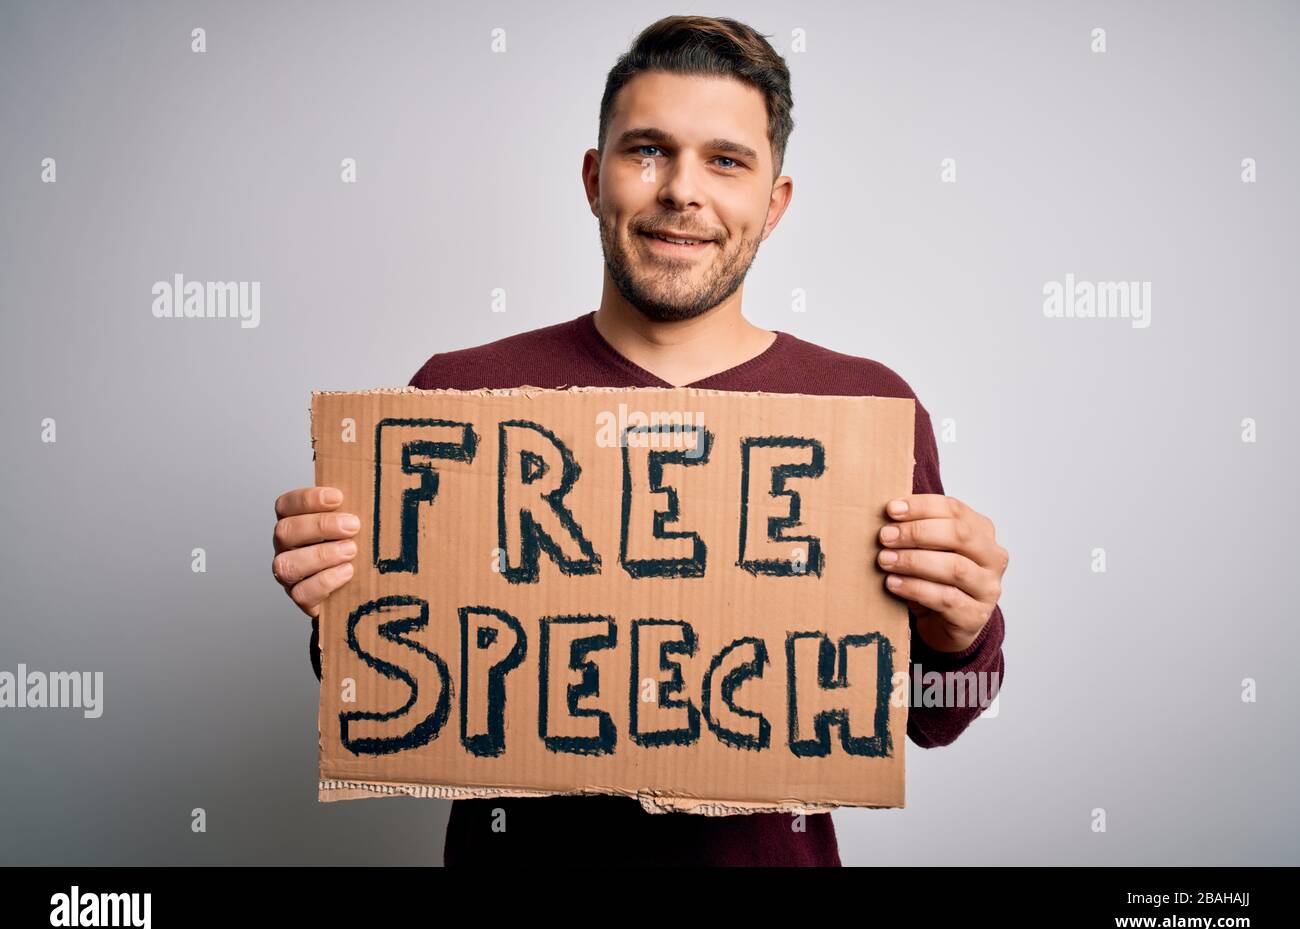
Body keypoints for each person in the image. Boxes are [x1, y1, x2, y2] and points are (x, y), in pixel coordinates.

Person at [271, 15, 1008, 866]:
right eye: (647, 150)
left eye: (726, 162)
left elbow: (935, 716)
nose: (682, 192)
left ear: (774, 203)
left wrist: (964, 637)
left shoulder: (865, 411)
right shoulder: (457, 397)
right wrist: (334, 600)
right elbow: (395, 682)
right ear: (595, 179)